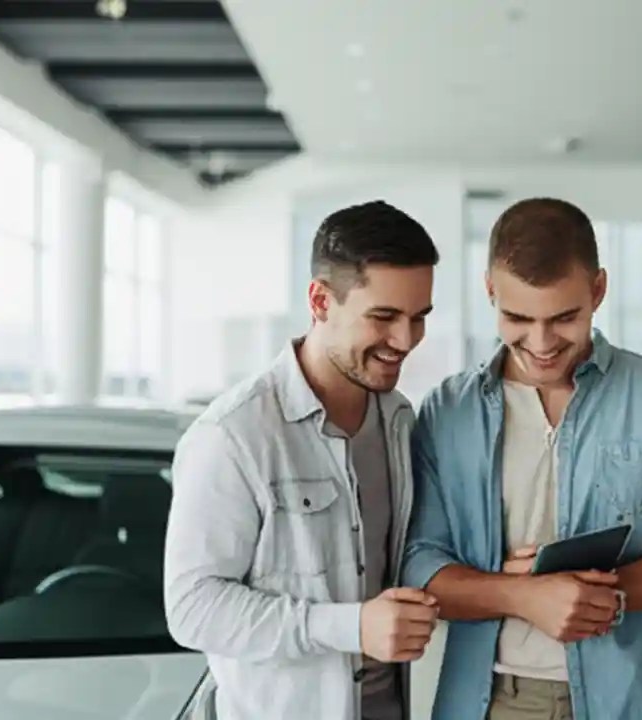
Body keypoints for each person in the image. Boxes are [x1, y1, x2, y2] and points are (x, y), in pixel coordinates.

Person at [402, 198, 642, 720]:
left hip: (623, 703)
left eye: (565, 317)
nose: (542, 342)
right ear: (490, 292)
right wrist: (524, 596)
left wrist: (589, 596)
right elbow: (420, 566)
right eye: (517, 317)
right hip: (487, 701)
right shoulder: (448, 410)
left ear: (598, 290)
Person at [165, 200, 444, 720]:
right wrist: (350, 626)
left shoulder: (401, 420)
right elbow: (192, 608)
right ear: (320, 301)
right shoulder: (234, 435)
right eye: (383, 317)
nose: (405, 341)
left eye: (418, 318)